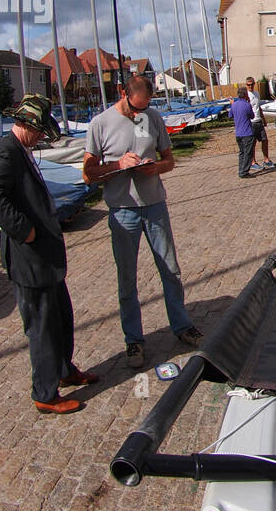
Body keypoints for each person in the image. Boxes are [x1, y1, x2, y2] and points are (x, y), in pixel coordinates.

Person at [0, 95, 98, 414]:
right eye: (41, 132)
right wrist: (26, 230)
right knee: (42, 327)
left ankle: (63, 371)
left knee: (61, 317)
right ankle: (44, 394)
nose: (42, 138)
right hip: (29, 259)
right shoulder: (7, 152)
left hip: (45, 259)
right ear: (29, 126)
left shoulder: (21, 150)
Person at [83, 75, 202, 368]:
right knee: (127, 279)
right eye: (136, 108)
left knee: (170, 269)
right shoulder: (100, 123)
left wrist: (156, 167)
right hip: (123, 210)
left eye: (145, 107)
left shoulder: (152, 116)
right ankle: (134, 341)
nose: (140, 114)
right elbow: (88, 173)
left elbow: (170, 161)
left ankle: (182, 326)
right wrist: (117, 165)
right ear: (123, 94)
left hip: (155, 206)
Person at [244, 76, 274, 171]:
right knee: (252, 143)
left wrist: (263, 119)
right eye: (248, 85)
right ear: (246, 85)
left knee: (265, 140)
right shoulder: (246, 95)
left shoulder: (256, 94)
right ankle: (253, 162)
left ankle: (266, 160)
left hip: (259, 121)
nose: (250, 86)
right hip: (251, 122)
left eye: (252, 84)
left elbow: (258, 107)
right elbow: (245, 109)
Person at [231, 85, 257, 178]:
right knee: (248, 153)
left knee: (241, 152)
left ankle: (241, 170)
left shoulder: (234, 105)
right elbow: (252, 116)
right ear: (245, 95)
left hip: (238, 133)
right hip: (247, 132)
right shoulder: (247, 105)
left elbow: (230, 115)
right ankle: (244, 172)